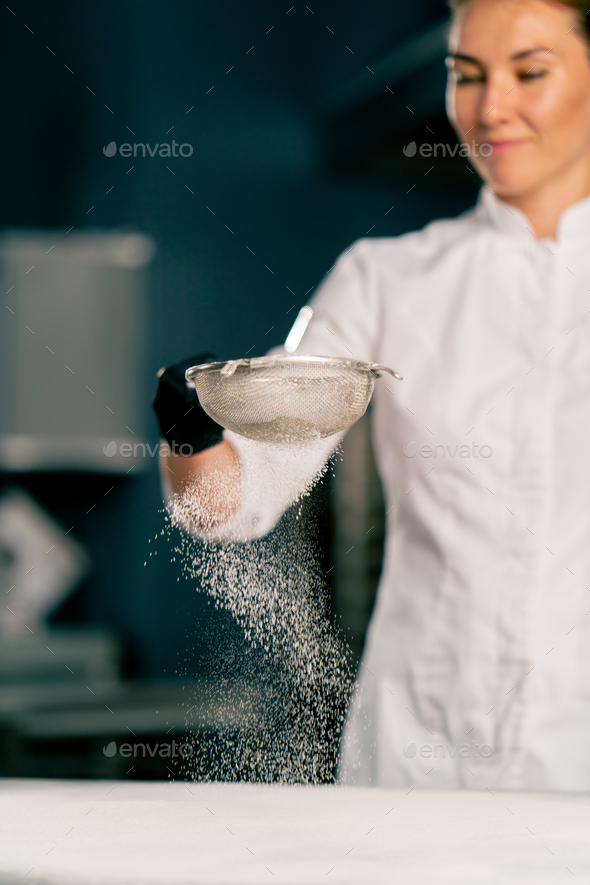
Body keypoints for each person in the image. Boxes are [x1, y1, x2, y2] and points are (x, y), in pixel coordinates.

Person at [154, 0, 590, 790]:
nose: (491, 108)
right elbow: (236, 500)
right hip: (420, 758)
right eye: (466, 77)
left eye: (530, 73)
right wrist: (193, 435)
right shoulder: (386, 277)